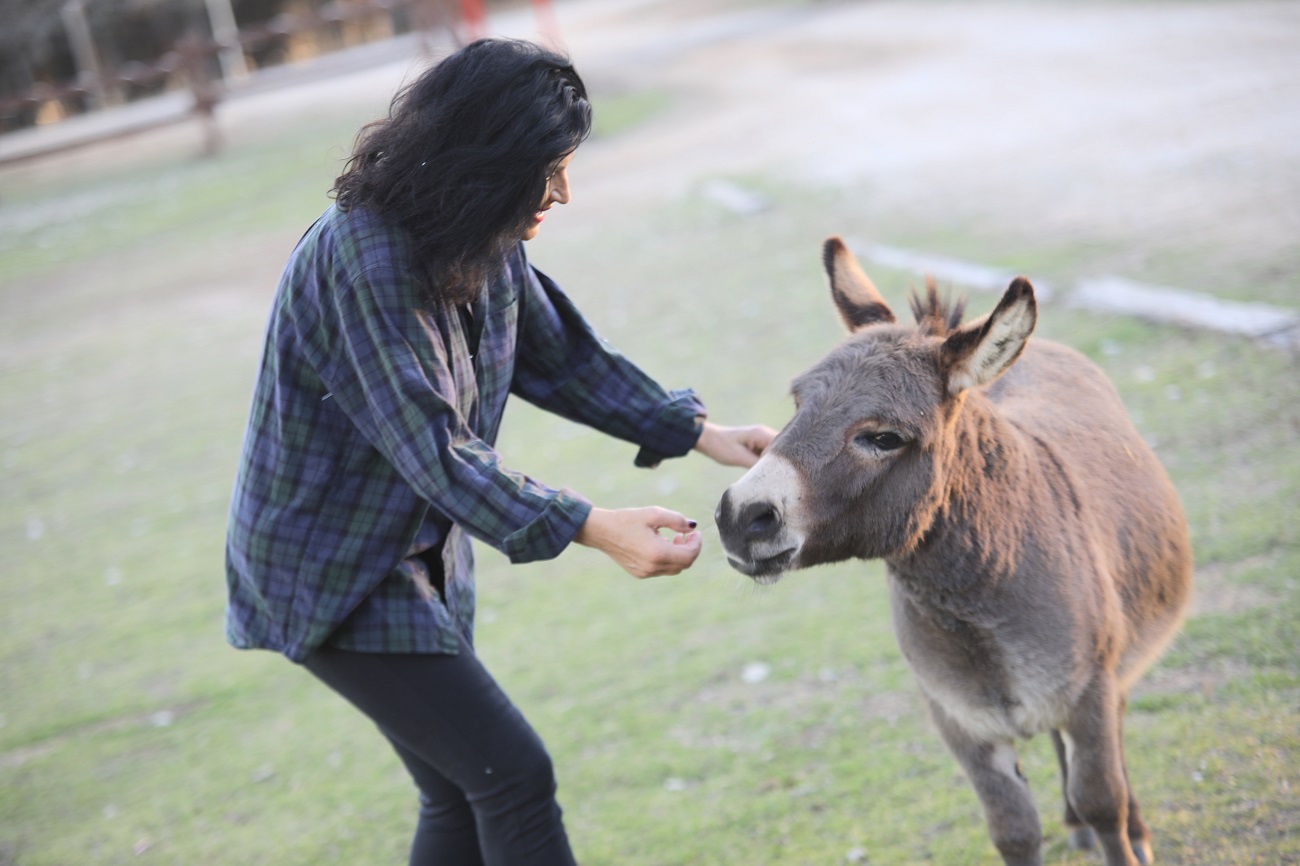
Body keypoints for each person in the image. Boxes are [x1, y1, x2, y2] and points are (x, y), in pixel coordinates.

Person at [224, 37, 775, 865]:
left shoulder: (476, 232)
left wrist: (697, 431)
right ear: (482, 159)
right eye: (548, 167)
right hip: (332, 570)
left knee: (459, 791)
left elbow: (563, 359)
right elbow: (434, 449)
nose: (563, 191)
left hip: (414, 555)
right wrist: (591, 525)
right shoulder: (362, 258)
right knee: (512, 776)